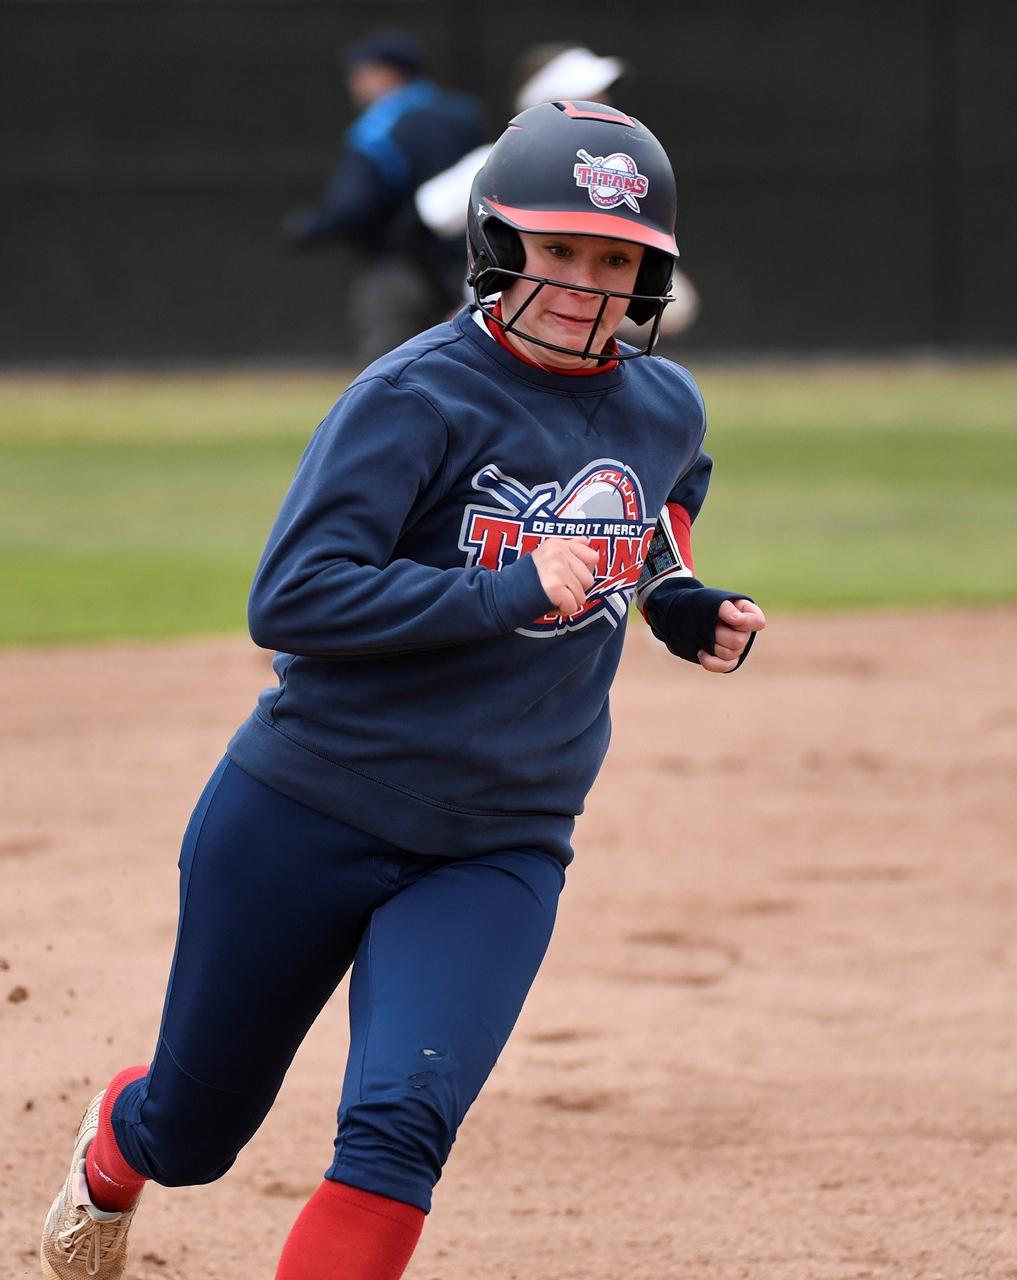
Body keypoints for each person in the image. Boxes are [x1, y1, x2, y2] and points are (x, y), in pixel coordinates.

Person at [39, 99, 766, 1280]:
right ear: (499, 245)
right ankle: (121, 1142)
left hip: (503, 836)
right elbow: (293, 597)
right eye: (563, 247)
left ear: (652, 272)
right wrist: (503, 594)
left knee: (397, 1130)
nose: (588, 281)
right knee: (197, 1132)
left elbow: (660, 500)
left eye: (618, 257)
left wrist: (676, 599)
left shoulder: (661, 400)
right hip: (309, 807)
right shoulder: (415, 395)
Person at [414, 44, 703, 345]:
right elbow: (420, 222)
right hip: (495, 316)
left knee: (673, 305)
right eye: (588, 95)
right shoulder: (503, 161)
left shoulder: (616, 171)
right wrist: (448, 298)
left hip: (577, 321)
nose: (602, 103)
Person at [283, 27, 485, 364]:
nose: (354, 80)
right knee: (464, 368)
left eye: (362, 70)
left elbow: (354, 207)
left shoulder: (379, 126)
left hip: (398, 270)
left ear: (389, 73)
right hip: (468, 268)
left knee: (387, 374)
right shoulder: (463, 116)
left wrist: (307, 228)